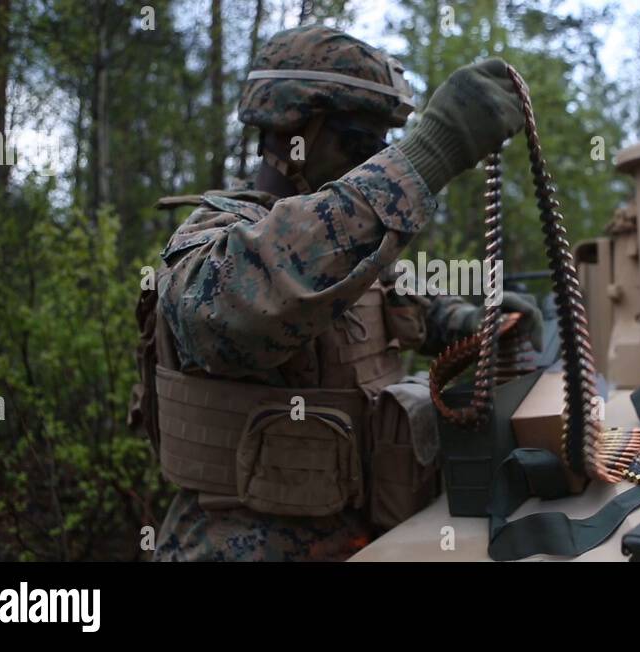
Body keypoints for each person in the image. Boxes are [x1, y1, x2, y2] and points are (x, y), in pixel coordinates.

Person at [129, 25, 543, 561]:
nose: (374, 158)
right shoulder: (211, 238)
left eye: (383, 145)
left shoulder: (342, 252)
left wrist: (468, 323)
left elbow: (397, 299)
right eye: (360, 141)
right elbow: (236, 312)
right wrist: (422, 160)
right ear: (293, 131)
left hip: (372, 534)